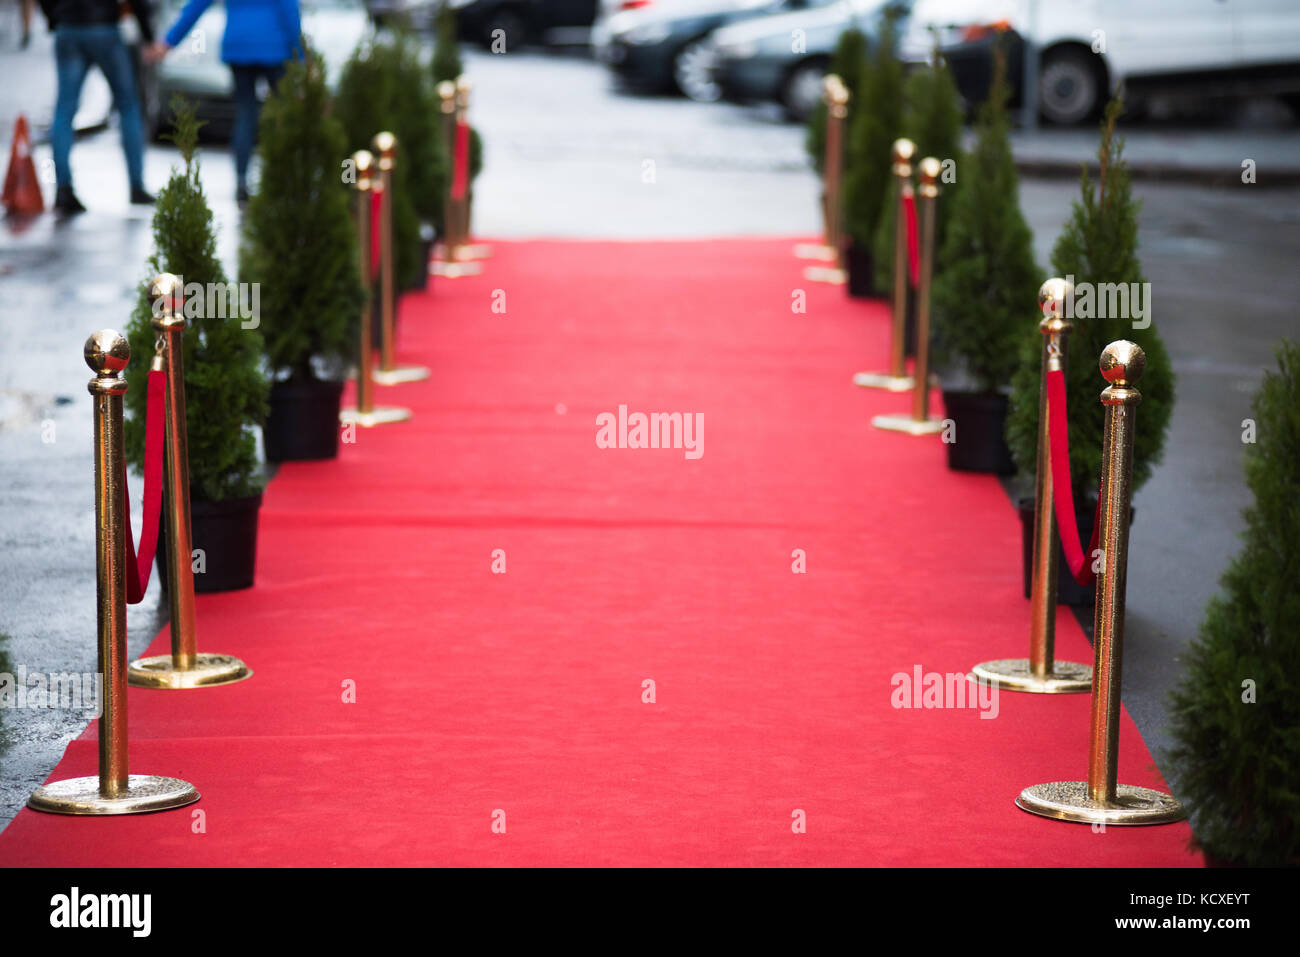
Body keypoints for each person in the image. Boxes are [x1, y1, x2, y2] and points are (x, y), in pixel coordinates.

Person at [149, 0, 302, 203]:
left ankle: (241, 182)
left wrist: (169, 42)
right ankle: (283, 178)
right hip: (274, 45)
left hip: (238, 45)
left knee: (246, 114)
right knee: (282, 116)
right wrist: (300, 55)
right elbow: (289, 9)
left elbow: (197, 5)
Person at [37, 0, 155, 213]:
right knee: (128, 105)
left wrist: (55, 17)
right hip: (104, 27)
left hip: (68, 26)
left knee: (64, 110)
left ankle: (63, 188)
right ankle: (137, 186)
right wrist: (148, 36)